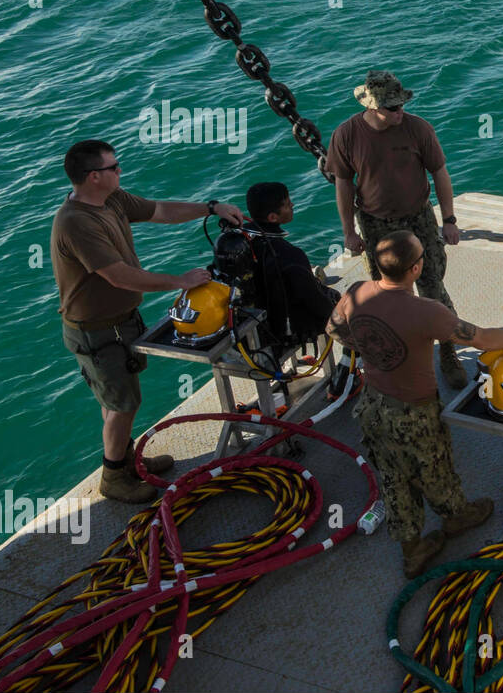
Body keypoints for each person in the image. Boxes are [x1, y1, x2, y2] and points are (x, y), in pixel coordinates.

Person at [327, 231, 503, 578]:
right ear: (415, 269)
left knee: (394, 477)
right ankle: (456, 516)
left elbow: (335, 330)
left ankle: (412, 549)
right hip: (415, 410)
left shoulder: (356, 293)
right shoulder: (427, 311)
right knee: (435, 467)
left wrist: (374, 351)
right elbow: (483, 339)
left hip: (373, 403)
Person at [50, 139, 243, 504]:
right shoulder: (76, 223)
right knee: (122, 404)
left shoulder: (112, 199)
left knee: (119, 399)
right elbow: (119, 276)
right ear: (94, 177)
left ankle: (126, 459)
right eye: (114, 167)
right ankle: (114, 477)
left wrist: (211, 207)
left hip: (122, 321)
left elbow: (161, 212)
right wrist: (179, 282)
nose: (120, 171)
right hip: (96, 331)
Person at [326, 69, 468, 390]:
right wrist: (349, 232)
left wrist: (449, 220)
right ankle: (402, 347)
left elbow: (440, 172)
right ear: (373, 108)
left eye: (402, 104)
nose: (399, 111)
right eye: (392, 108)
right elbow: (344, 185)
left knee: (432, 286)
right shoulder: (346, 136)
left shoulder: (418, 129)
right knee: (389, 291)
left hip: (419, 218)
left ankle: (448, 351)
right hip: (376, 224)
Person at [243, 182, 341, 347]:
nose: (293, 205)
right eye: (288, 204)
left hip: (250, 325)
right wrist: (340, 315)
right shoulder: (290, 255)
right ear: (273, 217)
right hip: (285, 329)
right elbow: (315, 301)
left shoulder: (239, 243)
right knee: (338, 298)